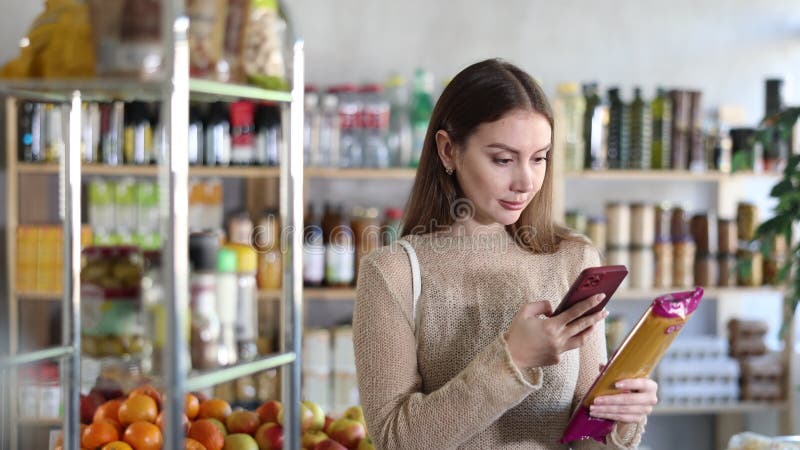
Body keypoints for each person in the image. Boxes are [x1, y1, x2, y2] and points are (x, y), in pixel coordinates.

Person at [352, 59, 658, 450]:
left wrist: (620, 418)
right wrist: (512, 359)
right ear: (448, 150)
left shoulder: (573, 258)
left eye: (539, 157)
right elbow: (394, 441)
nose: (525, 181)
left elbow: (586, 443)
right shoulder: (393, 273)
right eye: (502, 159)